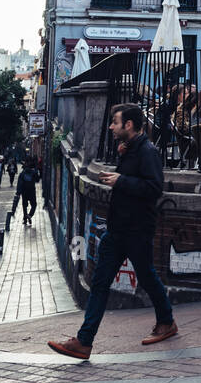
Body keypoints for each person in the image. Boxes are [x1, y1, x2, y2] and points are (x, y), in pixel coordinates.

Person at [48, 104, 177, 359]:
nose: (110, 127)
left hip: (137, 229)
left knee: (147, 277)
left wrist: (121, 180)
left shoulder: (148, 152)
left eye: (115, 122)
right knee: (100, 284)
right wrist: (118, 175)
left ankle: (167, 322)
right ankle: (84, 342)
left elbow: (153, 188)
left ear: (128, 125)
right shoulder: (129, 150)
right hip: (116, 230)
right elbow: (134, 181)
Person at [12, 159, 38, 226]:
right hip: (32, 191)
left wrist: (18, 192)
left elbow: (19, 184)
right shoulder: (33, 172)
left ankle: (25, 219)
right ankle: (30, 215)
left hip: (24, 192)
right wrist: (36, 171)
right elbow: (37, 179)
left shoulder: (22, 174)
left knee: (24, 206)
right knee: (34, 204)